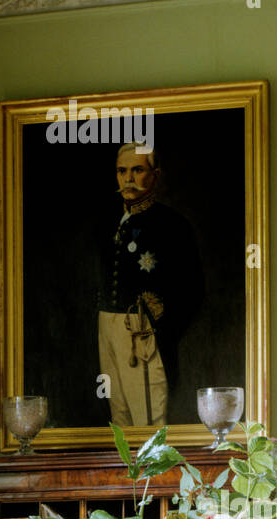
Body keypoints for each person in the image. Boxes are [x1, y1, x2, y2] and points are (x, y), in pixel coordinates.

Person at [96, 143, 203, 427]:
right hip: (106, 326)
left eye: (137, 170)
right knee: (119, 419)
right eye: (122, 171)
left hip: (141, 332)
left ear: (155, 175)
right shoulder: (107, 221)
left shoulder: (173, 225)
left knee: (148, 424)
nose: (128, 177)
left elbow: (193, 290)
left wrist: (161, 324)